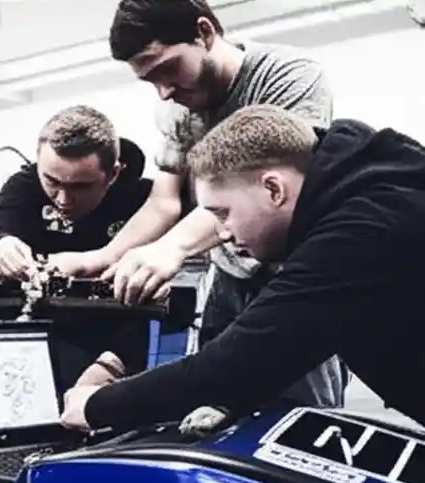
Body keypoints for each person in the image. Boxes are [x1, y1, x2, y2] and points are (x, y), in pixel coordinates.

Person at [62, 106, 425, 466]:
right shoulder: (366, 208)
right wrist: (233, 397)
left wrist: (95, 405)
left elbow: (230, 361)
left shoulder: (365, 226)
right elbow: (287, 347)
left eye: (223, 212)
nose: (222, 232)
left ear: (272, 188)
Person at [53, 0, 346, 408]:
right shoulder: (175, 109)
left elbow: (265, 194)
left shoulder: (288, 77)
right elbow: (164, 202)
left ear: (204, 33)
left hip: (290, 278)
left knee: (298, 414)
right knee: (216, 404)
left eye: (167, 69)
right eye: (149, 81)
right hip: (228, 280)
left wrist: (173, 248)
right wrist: (104, 256)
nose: (164, 91)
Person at [0, 105, 154, 387]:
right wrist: (3, 247)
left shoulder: (143, 201)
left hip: (118, 346)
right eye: (51, 181)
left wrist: (114, 362)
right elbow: (0, 230)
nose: (62, 199)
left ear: (113, 173)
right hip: (36, 344)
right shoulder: (24, 187)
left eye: (81, 186)